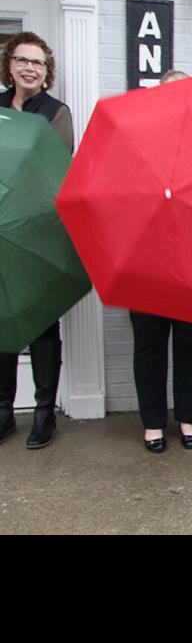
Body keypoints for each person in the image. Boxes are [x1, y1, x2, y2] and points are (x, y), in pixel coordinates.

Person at [0, 31, 73, 449]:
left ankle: (45, 411)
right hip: (2, 232)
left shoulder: (55, 113)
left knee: (43, 322)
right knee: (4, 319)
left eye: (38, 63)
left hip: (41, 231)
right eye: (22, 60)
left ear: (47, 72)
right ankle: (4, 410)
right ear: (9, 64)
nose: (30, 68)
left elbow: (52, 170)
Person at [133, 69, 192, 453]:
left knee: (191, 341)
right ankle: (152, 422)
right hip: (145, 258)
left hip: (190, 259)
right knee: (149, 342)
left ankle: (188, 416)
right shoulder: (138, 140)